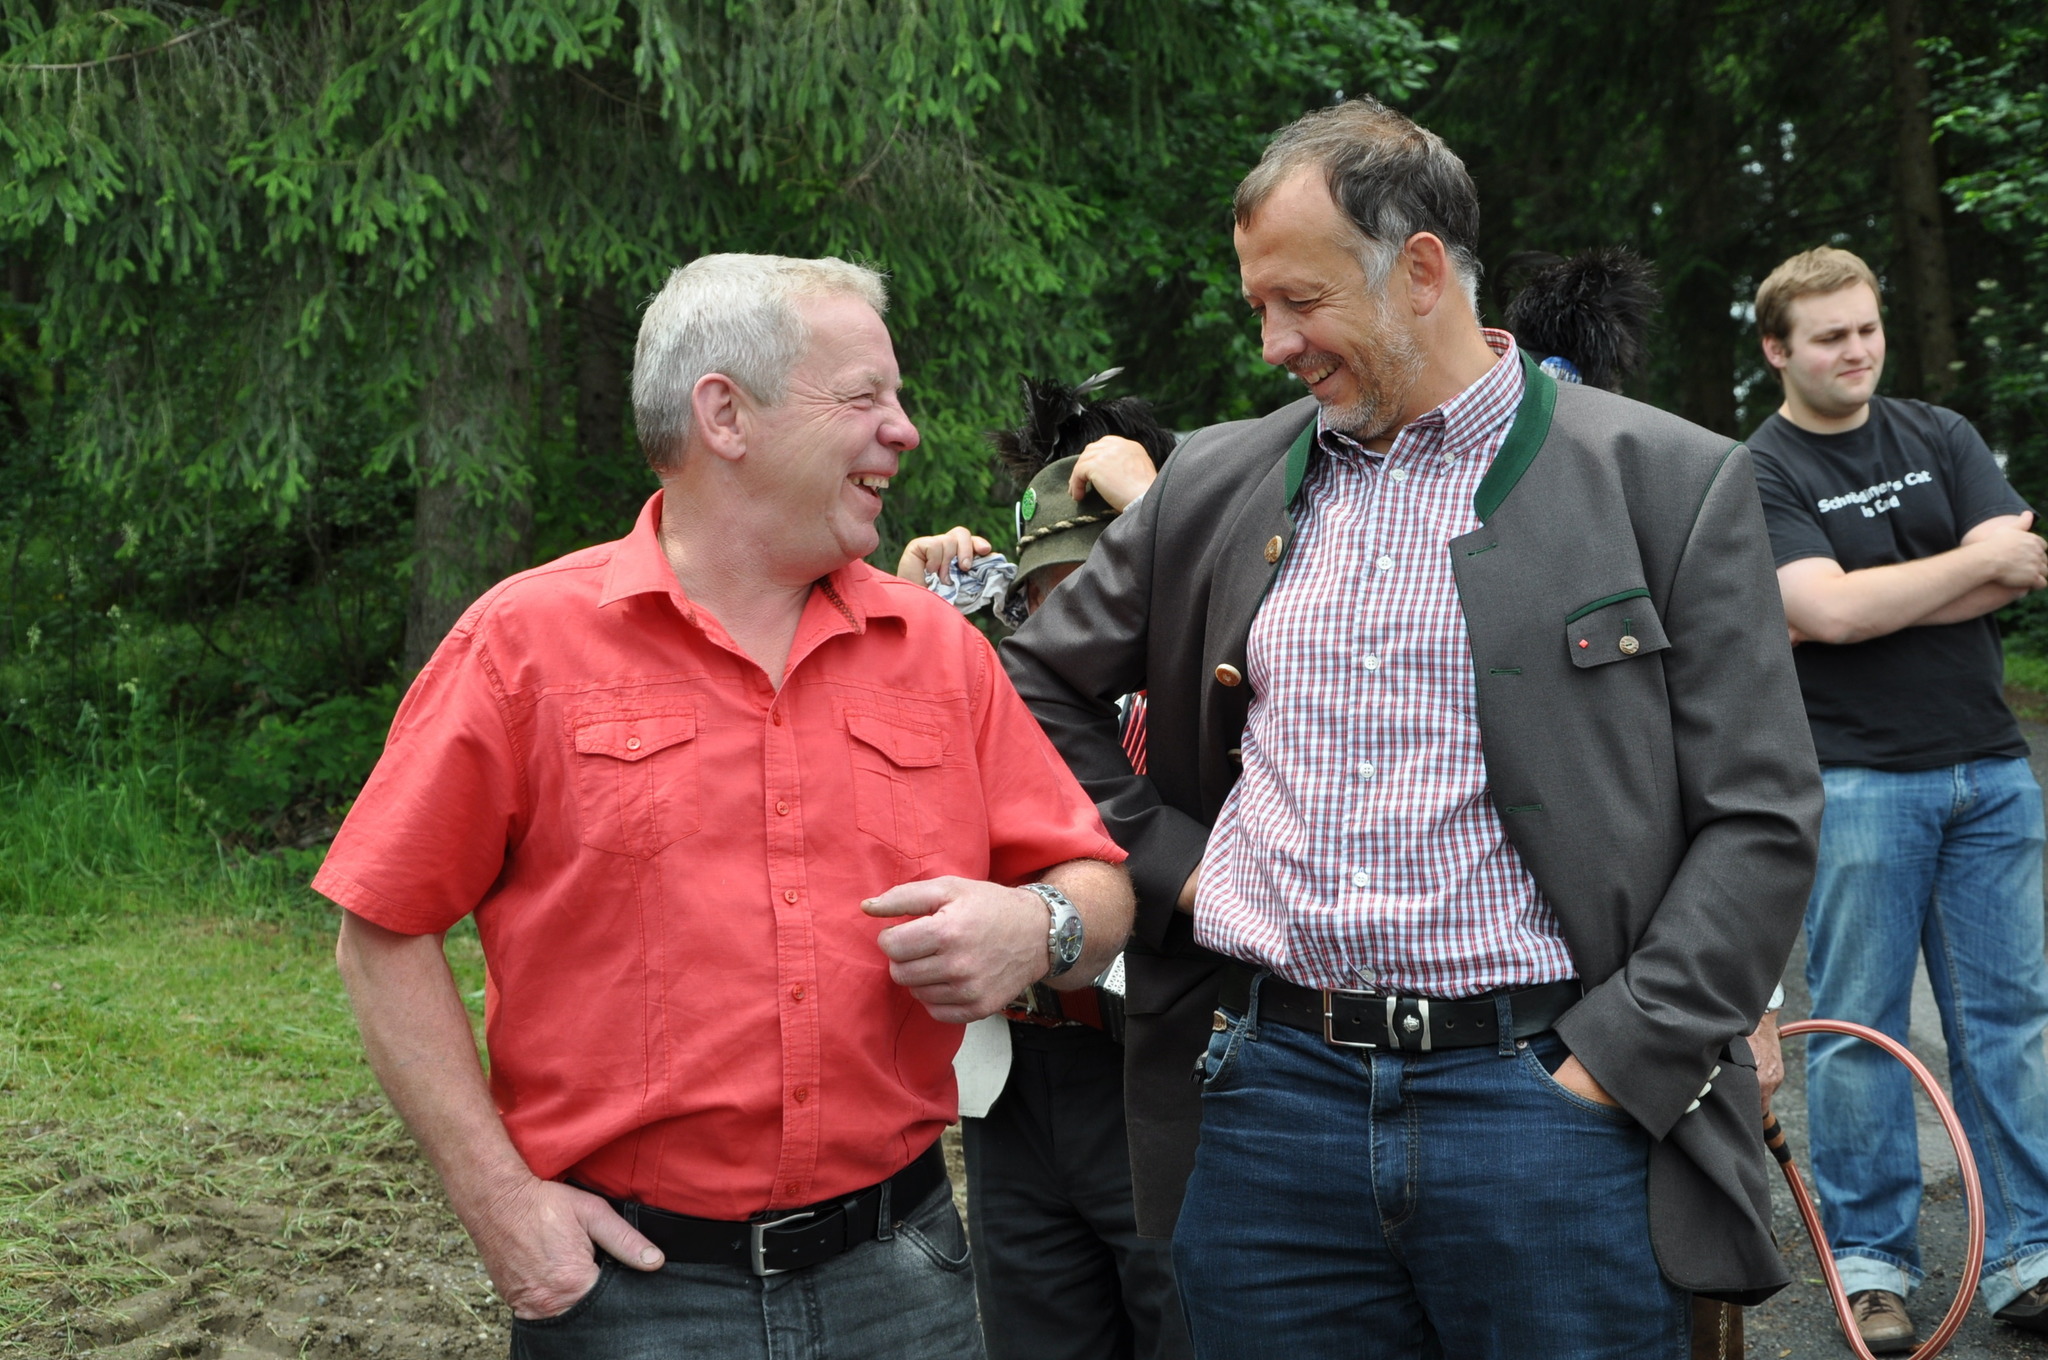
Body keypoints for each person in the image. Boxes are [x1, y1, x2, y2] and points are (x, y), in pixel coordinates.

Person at [1003, 97, 1823, 1360]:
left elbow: (1760, 820)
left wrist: (1611, 1064)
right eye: (1257, 306)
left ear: (1421, 270)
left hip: (1546, 1107)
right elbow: (1023, 686)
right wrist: (1176, 866)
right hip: (1268, 1108)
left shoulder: (1666, 480)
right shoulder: (1217, 481)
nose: (1272, 340)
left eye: (1299, 300)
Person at [317, 253, 1135, 1360]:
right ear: (724, 414)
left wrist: (1038, 928)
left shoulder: (936, 650)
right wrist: (501, 1206)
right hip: (630, 1300)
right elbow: (381, 929)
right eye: (863, 397)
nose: (904, 431)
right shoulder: (521, 647)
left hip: (905, 1281)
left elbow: (1098, 885)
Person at [1745, 245, 2048, 1352]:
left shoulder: (1939, 433)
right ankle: (1870, 1264)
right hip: (1857, 775)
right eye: (1828, 336)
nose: (1854, 351)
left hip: (1988, 770)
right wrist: (1954, 575)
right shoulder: (1761, 469)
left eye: (1864, 328)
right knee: (1858, 1031)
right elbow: (1816, 617)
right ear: (1776, 348)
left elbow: (2020, 559)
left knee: (2006, 1025)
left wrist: (1868, 598)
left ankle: (2027, 1256)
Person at [898, 374, 1189, 1360]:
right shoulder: (993, 705)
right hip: (1018, 1088)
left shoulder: (1219, 694)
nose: (1071, 621)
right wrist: (900, 614)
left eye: (1101, 589)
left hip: (1170, 1071)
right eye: (1042, 596)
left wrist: (1164, 509)